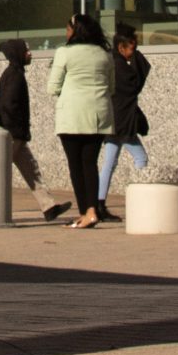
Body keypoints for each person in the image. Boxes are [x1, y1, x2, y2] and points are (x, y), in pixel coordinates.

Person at [50, 13, 118, 229]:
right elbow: (112, 87)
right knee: (90, 163)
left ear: (75, 30)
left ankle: (84, 211)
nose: (66, 31)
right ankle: (92, 210)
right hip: (99, 114)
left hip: (71, 114)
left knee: (75, 164)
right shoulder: (105, 55)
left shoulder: (64, 53)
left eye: (68, 28)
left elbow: (52, 87)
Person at [0, 40, 69, 222]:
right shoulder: (14, 76)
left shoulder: (15, 74)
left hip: (16, 133)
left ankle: (48, 207)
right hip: (12, 133)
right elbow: (8, 106)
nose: (30, 54)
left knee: (30, 168)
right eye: (26, 51)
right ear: (19, 53)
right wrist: (14, 131)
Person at [98, 25, 152, 211]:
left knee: (109, 163)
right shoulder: (121, 67)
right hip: (123, 123)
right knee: (141, 158)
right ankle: (142, 198)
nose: (133, 52)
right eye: (132, 48)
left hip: (113, 122)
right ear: (121, 48)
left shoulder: (111, 63)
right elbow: (134, 84)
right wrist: (138, 59)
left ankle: (99, 202)